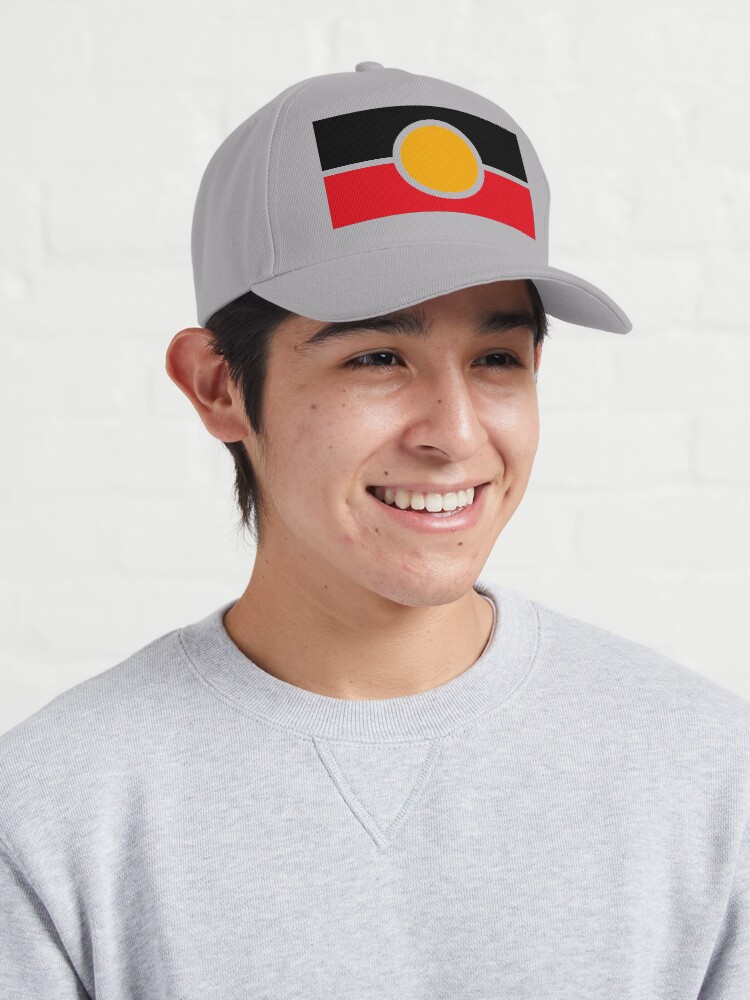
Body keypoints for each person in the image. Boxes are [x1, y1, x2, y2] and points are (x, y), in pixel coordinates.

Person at [1, 62, 748, 999]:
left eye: (498, 358)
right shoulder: (51, 816)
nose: (456, 434)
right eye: (378, 357)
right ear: (218, 385)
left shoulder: (712, 776)